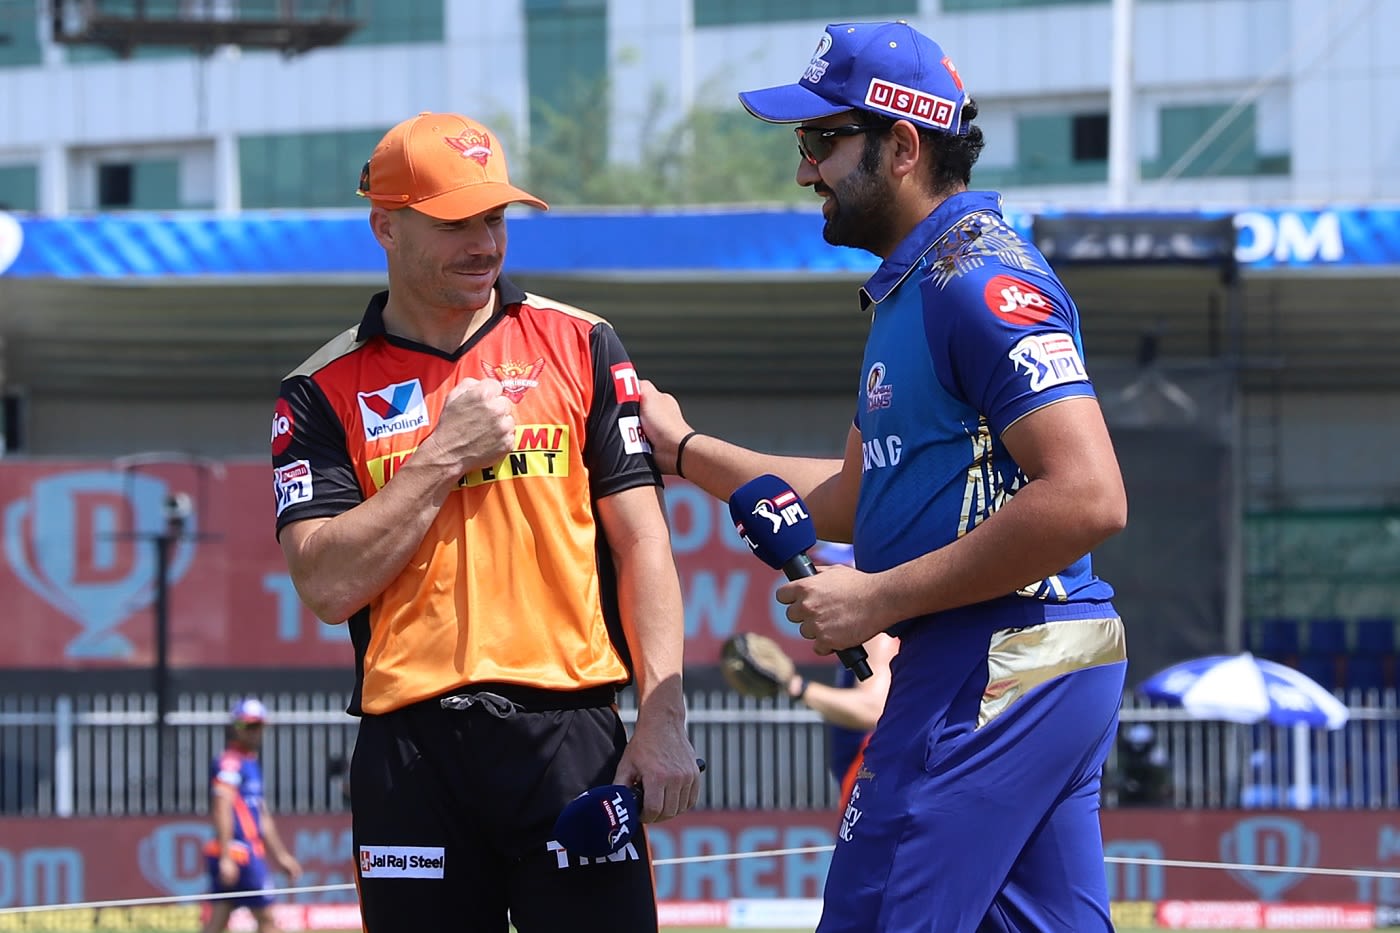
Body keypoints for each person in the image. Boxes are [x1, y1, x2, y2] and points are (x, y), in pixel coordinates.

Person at [639, 21, 1128, 932]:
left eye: (822, 142)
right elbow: (856, 500)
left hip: (995, 658)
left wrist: (877, 599)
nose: (803, 172)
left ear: (902, 146)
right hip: (1019, 658)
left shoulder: (976, 280)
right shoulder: (916, 288)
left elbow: (1090, 495)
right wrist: (681, 449)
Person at [270, 111, 701, 932]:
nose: (484, 243)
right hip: (410, 753)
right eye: (455, 222)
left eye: (495, 218)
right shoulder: (319, 389)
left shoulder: (582, 343)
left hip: (571, 735)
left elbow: (644, 541)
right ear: (385, 227)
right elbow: (325, 583)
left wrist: (662, 719)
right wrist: (439, 457)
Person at [201, 698, 302, 933]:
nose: (255, 733)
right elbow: (221, 806)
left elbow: (262, 817)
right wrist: (226, 855)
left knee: (218, 919)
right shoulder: (230, 763)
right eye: (249, 727)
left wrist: (281, 856)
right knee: (266, 919)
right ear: (236, 727)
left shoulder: (249, 762)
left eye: (258, 727)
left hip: (245, 851)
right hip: (240, 853)